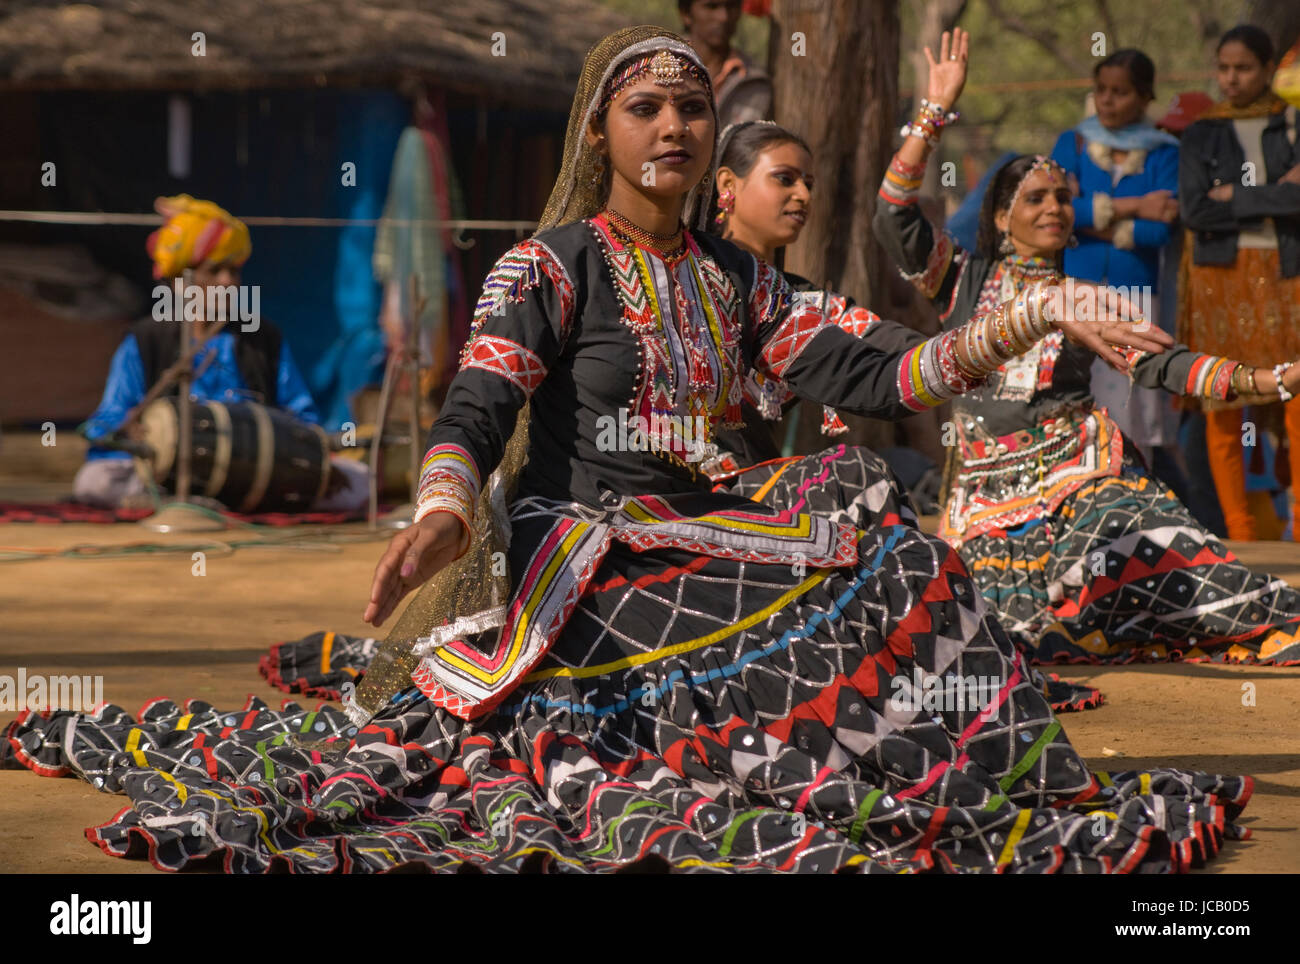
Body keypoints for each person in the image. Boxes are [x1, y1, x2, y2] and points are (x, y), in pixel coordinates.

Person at [5, 27, 1248, 874]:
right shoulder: (546, 267)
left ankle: (959, 770)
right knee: (788, 615)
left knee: (894, 536)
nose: (672, 125)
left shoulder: (737, 280)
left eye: (691, 108)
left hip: (702, 531)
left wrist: (1030, 311)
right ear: (602, 134)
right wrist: (442, 506)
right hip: (583, 560)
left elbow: (880, 371)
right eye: (645, 107)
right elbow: (477, 410)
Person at [875, 29, 1300, 667]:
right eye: (1036, 198)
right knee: (996, 624)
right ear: (998, 218)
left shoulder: (1088, 298)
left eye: (1064, 199)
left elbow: (1162, 363)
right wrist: (934, 112)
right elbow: (893, 215)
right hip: (983, 500)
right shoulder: (960, 278)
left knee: (1161, 545)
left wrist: (1271, 381)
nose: (1054, 208)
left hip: (1080, 472)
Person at [72, 194, 369, 514]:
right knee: (94, 482)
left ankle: (196, 505)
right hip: (165, 474)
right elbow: (106, 420)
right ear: (180, 282)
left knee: (359, 481)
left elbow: (303, 417)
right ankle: (184, 503)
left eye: (234, 271)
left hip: (252, 474)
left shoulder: (262, 339)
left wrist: (312, 460)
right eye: (214, 271)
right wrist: (129, 430)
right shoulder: (146, 340)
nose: (227, 282)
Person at [1179, 25, 1300, 541]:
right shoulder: (1202, 132)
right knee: (1224, 402)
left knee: (1295, 399)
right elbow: (1195, 207)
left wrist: (1239, 197)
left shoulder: (1292, 123)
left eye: (1243, 68)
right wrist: (1275, 194)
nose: (1231, 79)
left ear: (1268, 69)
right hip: (1219, 279)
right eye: (1224, 68)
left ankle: (1296, 534)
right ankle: (1241, 535)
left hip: (1286, 275)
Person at [1050, 49, 1182, 484]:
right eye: (1101, 90)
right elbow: (1064, 213)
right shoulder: (1072, 144)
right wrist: (1137, 206)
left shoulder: (1164, 153)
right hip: (1079, 289)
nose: (1107, 101)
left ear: (1144, 97)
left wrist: (1095, 217)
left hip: (1136, 290)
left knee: (1133, 394)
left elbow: (1159, 232)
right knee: (1076, 390)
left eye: (1120, 92)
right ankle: (1077, 489)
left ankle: (1131, 493)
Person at [678, 0, 772, 127]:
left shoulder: (754, 82)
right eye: (712, 6)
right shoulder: (658, 68)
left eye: (731, 6)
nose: (724, 17)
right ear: (686, 14)